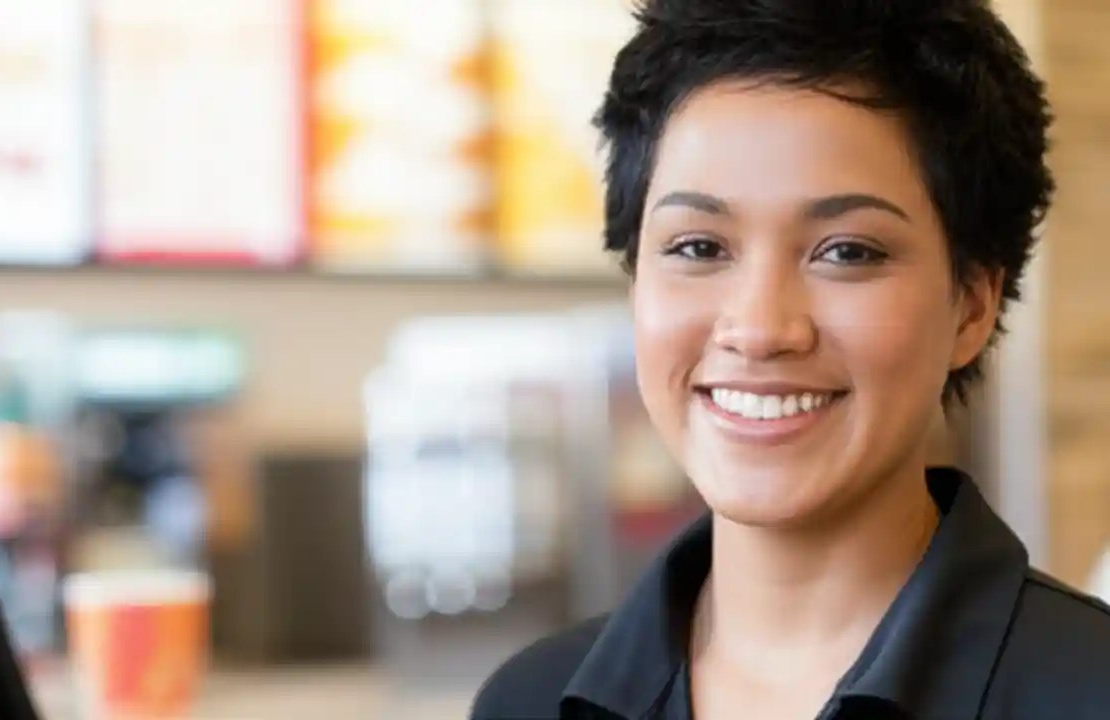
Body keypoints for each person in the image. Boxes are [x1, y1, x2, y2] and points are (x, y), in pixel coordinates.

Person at [472, 1, 1110, 718]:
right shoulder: (527, 702)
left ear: (971, 305)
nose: (760, 328)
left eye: (847, 252)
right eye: (699, 248)